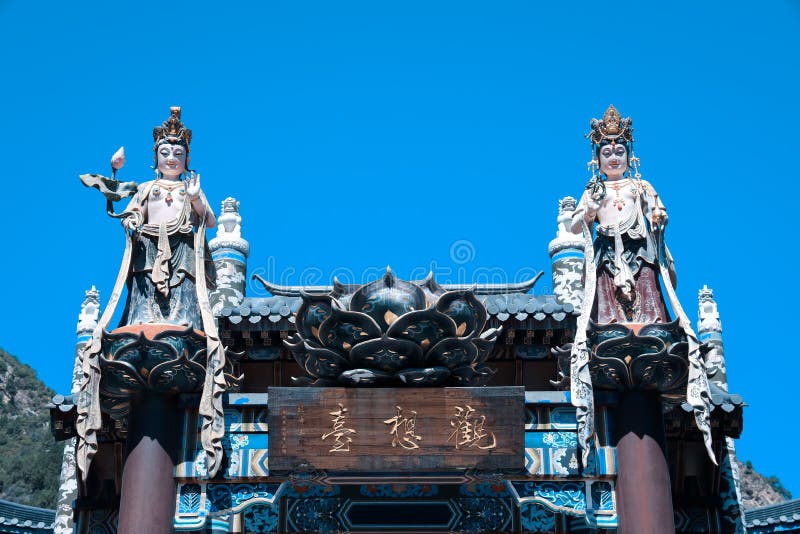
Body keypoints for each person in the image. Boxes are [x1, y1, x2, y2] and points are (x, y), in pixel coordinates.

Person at [571, 104, 673, 324]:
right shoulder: (594, 190)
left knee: (646, 280)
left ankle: (652, 319)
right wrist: (590, 210)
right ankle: (609, 321)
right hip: (606, 246)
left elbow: (658, 213)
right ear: (598, 160)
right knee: (605, 286)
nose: (614, 158)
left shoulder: (640, 185)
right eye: (607, 154)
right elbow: (575, 226)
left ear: (629, 156)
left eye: (619, 152)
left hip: (639, 244)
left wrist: (656, 215)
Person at [118, 107, 216, 329]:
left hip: (182, 245)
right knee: (145, 280)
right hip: (148, 244)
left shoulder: (190, 188)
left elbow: (210, 221)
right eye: (165, 153)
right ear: (155, 158)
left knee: (183, 282)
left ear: (187, 159)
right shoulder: (146, 187)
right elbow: (131, 214)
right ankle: (142, 319)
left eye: (178, 154)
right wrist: (131, 220)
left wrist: (195, 198)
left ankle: (184, 320)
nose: (171, 159)